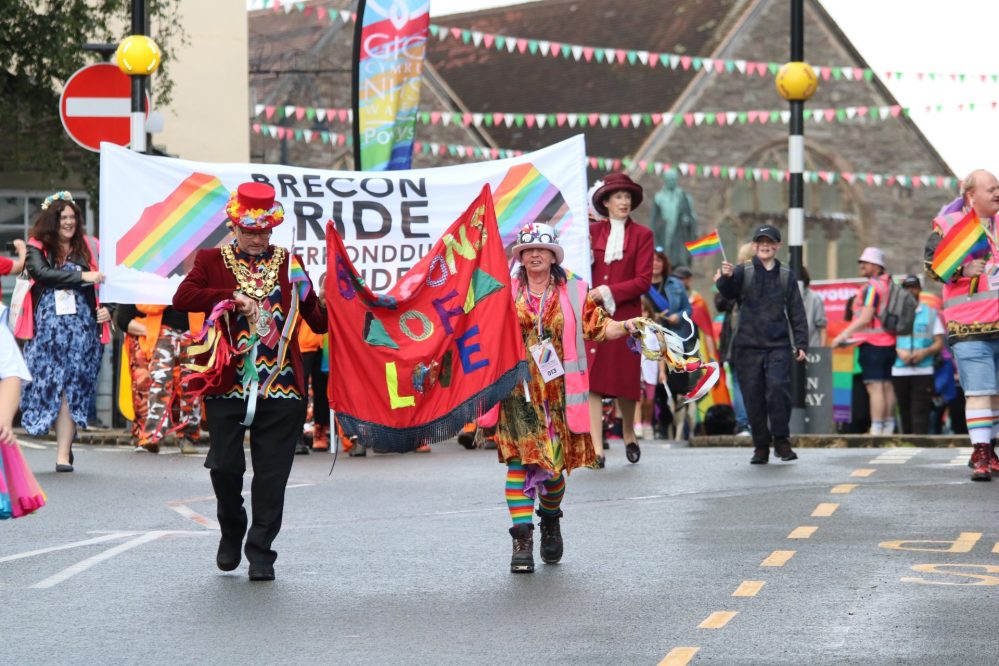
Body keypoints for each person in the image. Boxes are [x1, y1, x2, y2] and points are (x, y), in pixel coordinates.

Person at [173, 182, 327, 581]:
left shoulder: (290, 264)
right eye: (250, 230)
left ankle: (261, 552)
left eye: (264, 231)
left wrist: (330, 297)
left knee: (272, 474)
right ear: (234, 226)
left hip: (284, 384)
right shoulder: (211, 260)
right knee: (224, 466)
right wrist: (231, 296)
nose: (258, 238)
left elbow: (318, 321)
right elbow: (183, 298)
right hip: (228, 384)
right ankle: (232, 527)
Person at [491, 222, 638, 573]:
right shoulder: (503, 291)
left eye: (542, 249)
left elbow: (600, 326)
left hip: (558, 393)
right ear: (521, 257)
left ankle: (551, 517)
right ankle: (522, 540)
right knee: (520, 461)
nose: (535, 255)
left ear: (553, 255)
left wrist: (630, 325)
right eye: (528, 250)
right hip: (517, 391)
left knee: (553, 469)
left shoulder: (573, 290)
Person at [20, 191, 110, 473]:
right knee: (48, 384)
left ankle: (62, 454)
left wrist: (110, 308)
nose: (69, 222)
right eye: (63, 217)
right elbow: (42, 274)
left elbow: (110, 282)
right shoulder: (37, 246)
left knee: (72, 387)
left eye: (73, 217)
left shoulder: (90, 247)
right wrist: (82, 276)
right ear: (51, 220)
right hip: (47, 331)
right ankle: (55, 435)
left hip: (82, 330)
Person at [924, 169, 999, 480]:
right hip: (970, 326)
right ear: (971, 195)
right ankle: (981, 452)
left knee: (995, 394)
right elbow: (932, 267)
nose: (997, 193)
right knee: (980, 391)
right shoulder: (950, 226)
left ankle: (991, 449)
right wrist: (963, 269)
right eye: (991, 189)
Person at [717, 225, 808, 464]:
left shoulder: (786, 275)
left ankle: (781, 440)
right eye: (760, 242)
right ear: (754, 246)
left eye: (770, 242)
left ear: (778, 246)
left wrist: (801, 343)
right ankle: (760, 446)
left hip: (778, 345)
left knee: (779, 390)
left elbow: (797, 311)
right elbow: (725, 296)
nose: (765, 246)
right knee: (753, 397)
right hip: (747, 346)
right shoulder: (742, 270)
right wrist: (725, 279)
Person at [587, 173, 654, 467]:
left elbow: (643, 280)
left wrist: (608, 291)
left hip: (627, 314)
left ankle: (628, 432)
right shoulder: (589, 233)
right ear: (605, 201)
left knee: (625, 378)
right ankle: (596, 447)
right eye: (618, 197)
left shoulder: (643, 235)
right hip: (594, 315)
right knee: (593, 380)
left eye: (627, 197)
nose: (624, 201)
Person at [115, 304, 202, 454]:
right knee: (160, 383)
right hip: (164, 329)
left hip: (193, 330)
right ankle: (152, 436)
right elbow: (137, 308)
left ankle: (188, 437)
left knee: (192, 385)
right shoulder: (151, 280)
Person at [831, 247, 898, 435]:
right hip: (889, 343)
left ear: (877, 266)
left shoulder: (872, 288)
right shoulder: (890, 285)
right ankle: (888, 425)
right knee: (886, 386)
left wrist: (842, 336)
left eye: (866, 262)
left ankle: (877, 428)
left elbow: (865, 317)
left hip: (873, 344)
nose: (861, 265)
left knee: (875, 386)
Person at [647, 248, 692, 437]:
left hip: (672, 338)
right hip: (648, 339)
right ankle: (660, 424)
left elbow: (688, 309)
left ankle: (674, 424)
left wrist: (678, 316)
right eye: (652, 260)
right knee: (652, 383)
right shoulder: (641, 285)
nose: (655, 264)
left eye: (659, 260)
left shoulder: (674, 284)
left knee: (673, 383)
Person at [890, 276, 944, 434]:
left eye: (913, 287)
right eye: (906, 287)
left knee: (921, 408)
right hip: (899, 368)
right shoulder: (894, 313)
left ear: (920, 289)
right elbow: (886, 338)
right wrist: (899, 351)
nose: (910, 291)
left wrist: (925, 352)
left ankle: (921, 444)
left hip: (924, 368)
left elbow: (939, 341)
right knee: (904, 408)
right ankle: (907, 442)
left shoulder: (930, 313)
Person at [650, 169, 698, 268]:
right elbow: (653, 221)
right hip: (664, 234)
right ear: (665, 180)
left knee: (680, 261)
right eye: (669, 179)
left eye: (673, 179)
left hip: (680, 234)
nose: (671, 181)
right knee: (663, 260)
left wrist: (687, 221)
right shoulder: (659, 197)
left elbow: (692, 217)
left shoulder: (683, 196)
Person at [800, 266, 828, 348]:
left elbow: (822, 327)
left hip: (812, 350)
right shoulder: (782, 297)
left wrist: (821, 352)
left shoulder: (814, 298)